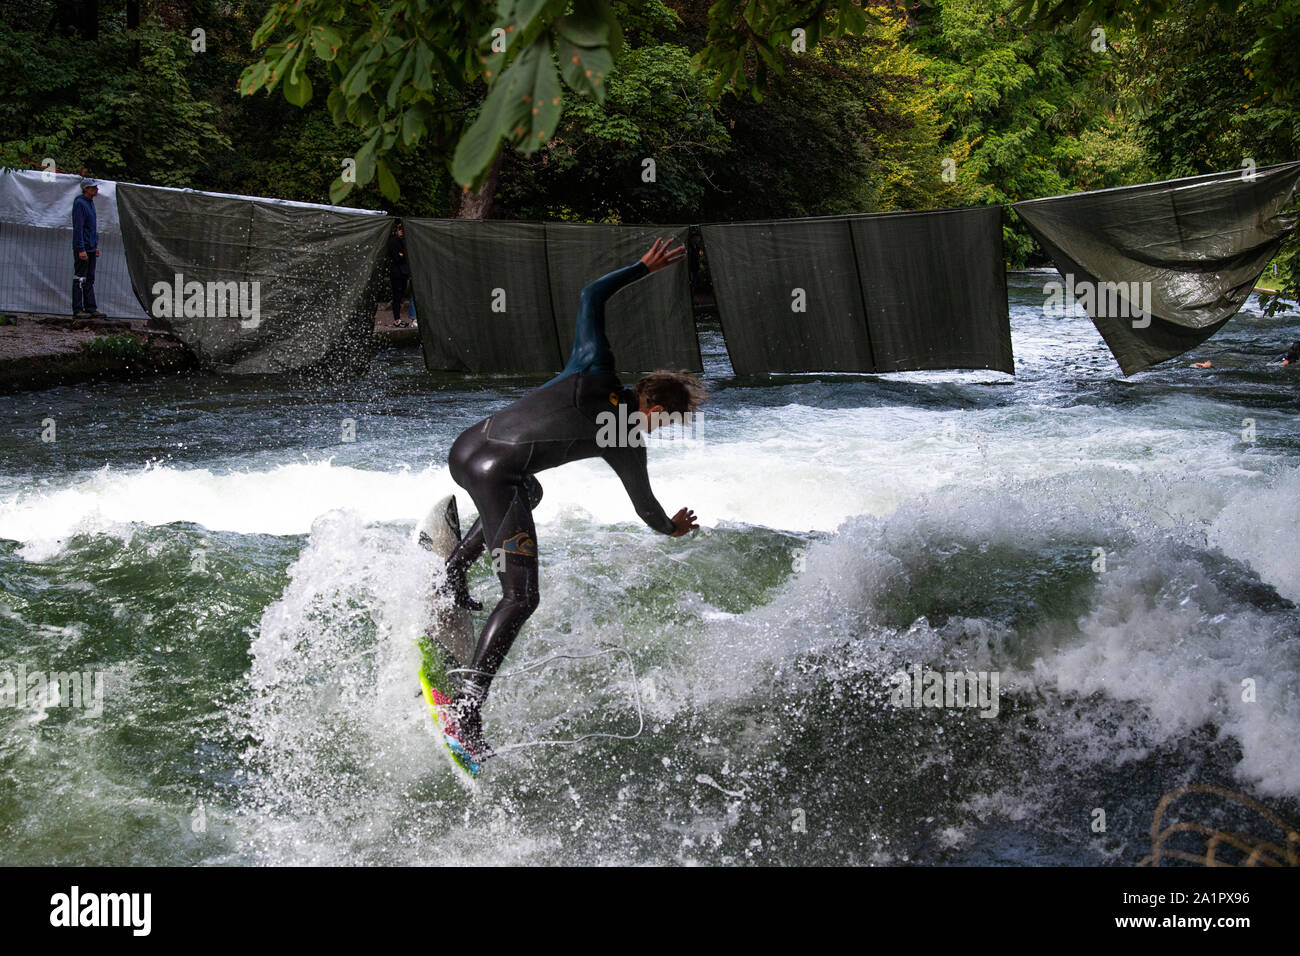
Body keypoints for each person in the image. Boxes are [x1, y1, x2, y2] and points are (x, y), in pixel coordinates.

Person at [438, 238, 705, 760]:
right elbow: (646, 509)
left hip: (467, 447)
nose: (665, 428)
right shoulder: (628, 442)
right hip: (496, 478)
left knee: (531, 488)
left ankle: (451, 573)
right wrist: (670, 528)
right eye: (668, 419)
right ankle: (466, 709)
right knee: (521, 597)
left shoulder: (594, 368)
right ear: (653, 404)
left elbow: (590, 297)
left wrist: (640, 269)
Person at [72, 178, 104, 319]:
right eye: (93, 187)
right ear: (86, 189)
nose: (96, 190)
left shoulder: (90, 203)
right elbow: (78, 228)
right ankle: (78, 308)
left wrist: (94, 245)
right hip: (83, 247)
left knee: (89, 278)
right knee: (80, 277)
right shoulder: (80, 203)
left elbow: (92, 227)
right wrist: (81, 248)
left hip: (90, 247)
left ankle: (90, 307)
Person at [388, 221, 414, 326]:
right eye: (400, 230)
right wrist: (402, 255)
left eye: (403, 230)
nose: (402, 232)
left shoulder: (404, 242)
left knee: (400, 296)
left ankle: (398, 319)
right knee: (397, 297)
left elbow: (405, 256)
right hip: (396, 273)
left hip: (403, 273)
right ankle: (397, 319)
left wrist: (403, 255)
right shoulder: (394, 241)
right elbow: (397, 257)